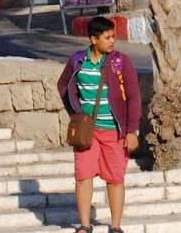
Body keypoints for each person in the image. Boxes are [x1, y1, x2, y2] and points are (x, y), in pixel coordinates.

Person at [57, 15, 142, 233]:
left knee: (114, 178)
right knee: (83, 175)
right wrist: (76, 114)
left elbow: (133, 97)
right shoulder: (77, 60)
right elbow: (64, 85)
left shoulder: (120, 62)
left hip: (114, 131)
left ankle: (115, 226)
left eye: (113, 36)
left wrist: (132, 130)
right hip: (87, 133)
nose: (113, 41)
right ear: (94, 40)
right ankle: (85, 225)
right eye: (107, 37)